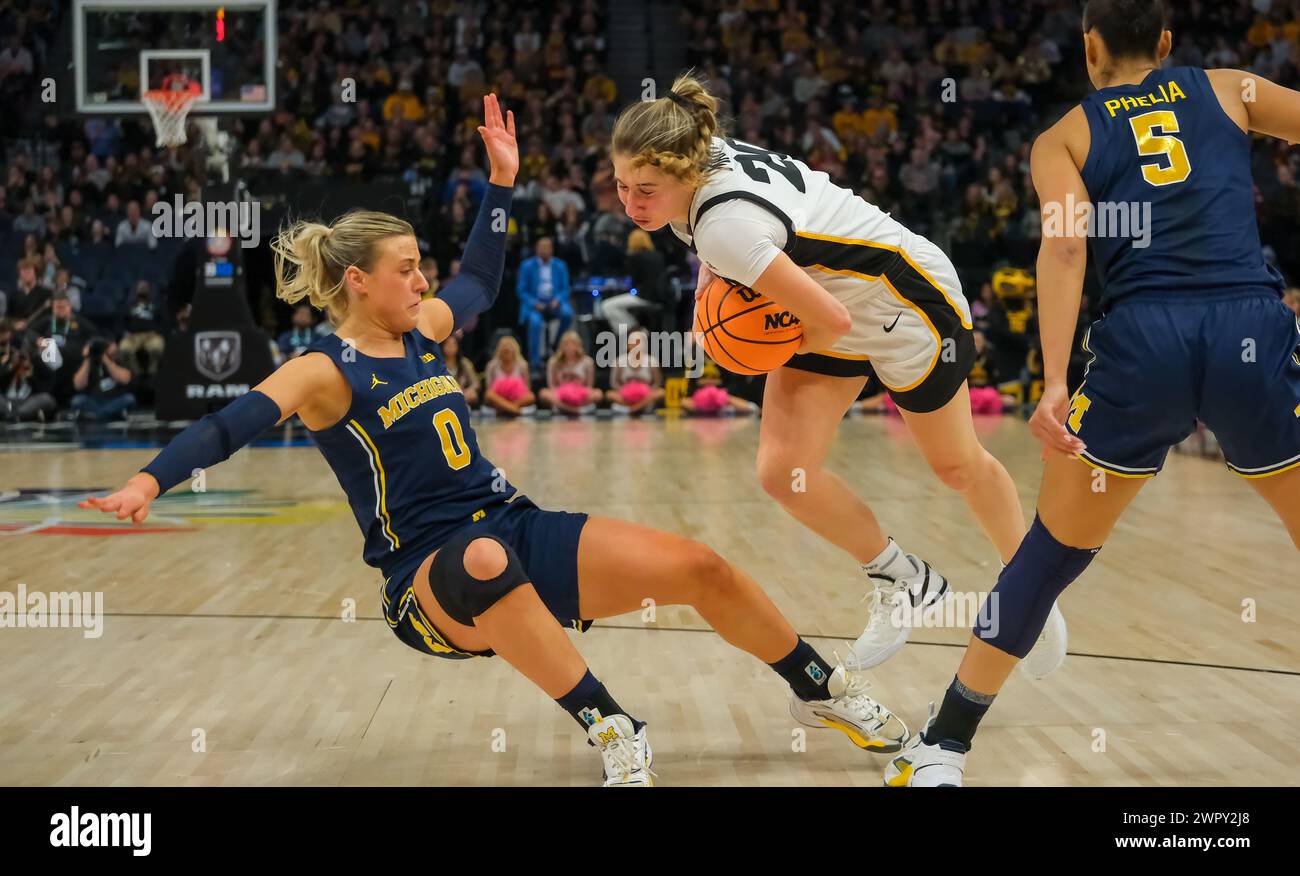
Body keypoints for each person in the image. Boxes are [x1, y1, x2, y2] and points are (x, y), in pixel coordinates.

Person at [81, 94, 907, 785]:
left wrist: (502, 185)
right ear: (358, 281)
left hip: (506, 523)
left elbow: (478, 279)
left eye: (421, 266)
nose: (422, 279)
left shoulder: (423, 334)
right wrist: (151, 480)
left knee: (701, 567)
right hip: (425, 578)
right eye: (406, 267)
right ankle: (614, 728)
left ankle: (820, 687)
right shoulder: (321, 371)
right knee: (483, 564)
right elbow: (231, 424)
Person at [886, 0, 1300, 787]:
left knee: (1049, 553)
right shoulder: (1232, 89)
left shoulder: (1064, 137)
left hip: (1143, 344)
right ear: (1169, 44)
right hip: (1250, 327)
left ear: (1089, 50)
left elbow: (1067, 247)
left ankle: (944, 744)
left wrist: (1050, 384)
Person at [611, 71, 1064, 673]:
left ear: (685, 173)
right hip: (825, 300)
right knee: (783, 471)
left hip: (905, 301)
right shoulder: (694, 169)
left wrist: (756, 350)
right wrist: (707, 320)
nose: (630, 203)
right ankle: (907, 582)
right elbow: (721, 260)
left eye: (644, 189)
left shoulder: (724, 223)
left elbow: (825, 319)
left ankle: (1029, 592)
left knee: (956, 464)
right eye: (620, 185)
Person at [516, 236, 572, 367]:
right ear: (536, 249)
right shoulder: (527, 266)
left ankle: (556, 344)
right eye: (541, 247)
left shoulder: (560, 265)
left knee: (568, 314)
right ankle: (535, 363)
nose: (544, 250)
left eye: (547, 248)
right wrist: (534, 303)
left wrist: (557, 300)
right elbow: (521, 290)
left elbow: (565, 288)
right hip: (535, 304)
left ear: (552, 249)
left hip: (554, 301)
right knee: (535, 323)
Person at [600, 228, 667, 333]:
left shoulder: (635, 257)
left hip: (644, 297)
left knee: (607, 306)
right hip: (660, 297)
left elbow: (633, 282)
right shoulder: (659, 256)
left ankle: (634, 331)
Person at [540, 329, 602, 415]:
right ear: (562, 346)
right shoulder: (553, 362)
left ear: (578, 346)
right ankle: (575, 410)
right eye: (567, 345)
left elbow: (589, 386)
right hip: (560, 394)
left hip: (581, 394)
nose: (570, 347)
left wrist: (578, 394)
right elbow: (552, 385)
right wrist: (563, 394)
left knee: (598, 393)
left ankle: (561, 408)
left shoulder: (588, 362)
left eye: (573, 344)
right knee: (544, 393)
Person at [606, 327, 664, 415]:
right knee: (609, 394)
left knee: (661, 392)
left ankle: (631, 409)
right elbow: (614, 383)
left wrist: (648, 391)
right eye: (633, 343)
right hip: (625, 395)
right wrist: (624, 391)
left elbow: (657, 382)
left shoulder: (652, 361)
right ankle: (641, 408)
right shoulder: (619, 361)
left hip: (646, 395)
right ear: (628, 345)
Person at [483, 334, 535, 417]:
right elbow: (489, 387)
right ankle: (513, 409)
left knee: (530, 396)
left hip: (517, 398)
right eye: (504, 348)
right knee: (489, 394)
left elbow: (527, 387)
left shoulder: (522, 365)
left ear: (515, 350)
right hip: (498, 398)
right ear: (499, 350)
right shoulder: (492, 365)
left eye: (509, 348)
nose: (507, 350)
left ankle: (508, 408)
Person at [440, 332, 480, 408]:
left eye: (454, 344)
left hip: (462, 394)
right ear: (442, 346)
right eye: (448, 344)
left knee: (473, 395)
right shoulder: (438, 364)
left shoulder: (465, 363)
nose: (451, 347)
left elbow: (476, 383)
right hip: (445, 395)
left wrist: (468, 390)